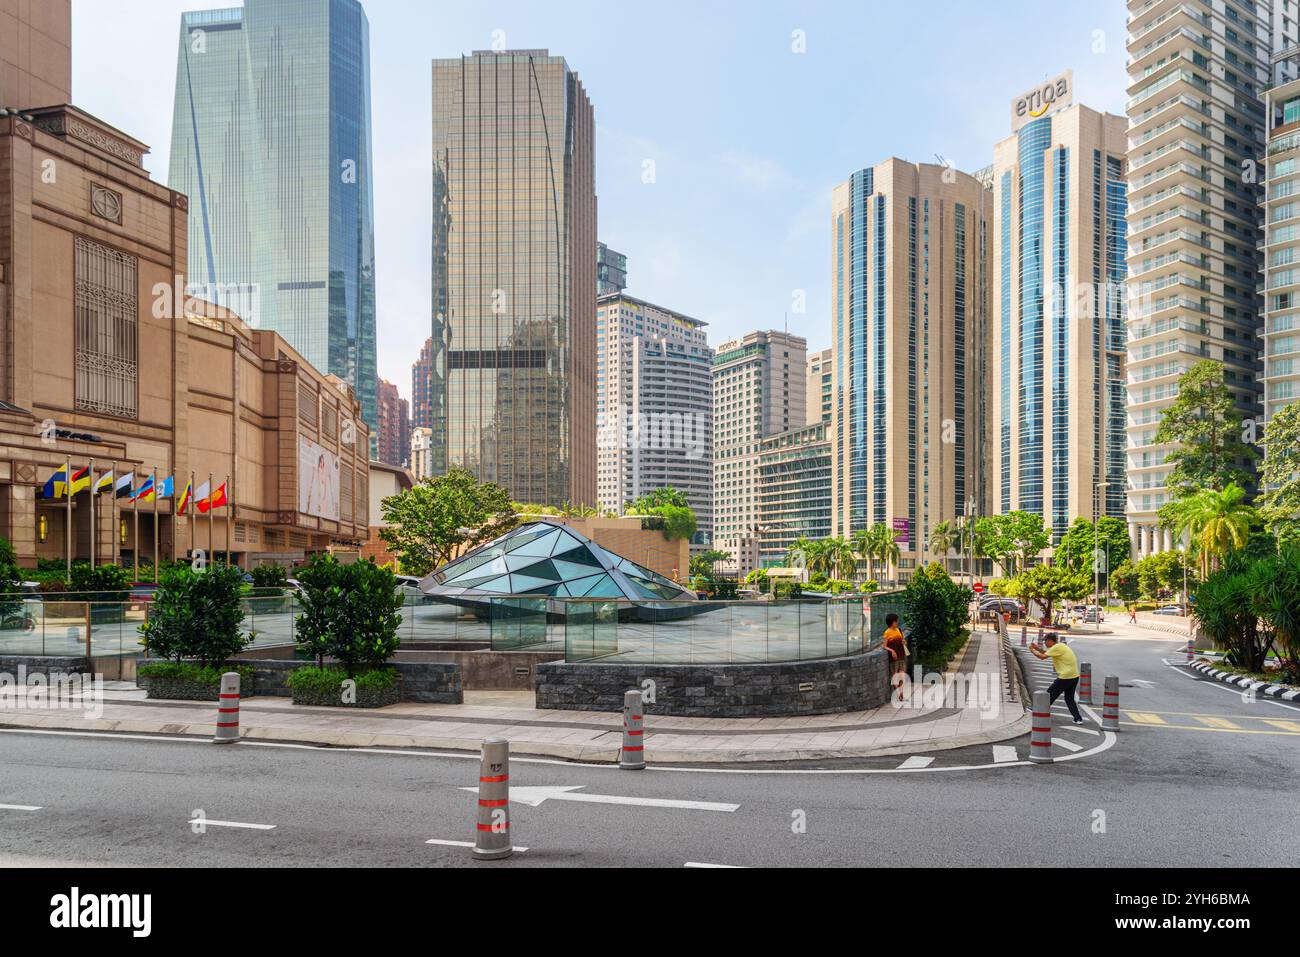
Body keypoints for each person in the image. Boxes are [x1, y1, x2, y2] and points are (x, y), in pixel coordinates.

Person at [1029, 634, 1084, 724]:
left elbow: (1042, 657)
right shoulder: (1060, 646)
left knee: (1049, 695)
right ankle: (1078, 719)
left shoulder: (1056, 647)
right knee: (1069, 698)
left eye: (1045, 641)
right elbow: (1046, 653)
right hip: (1074, 676)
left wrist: (1032, 650)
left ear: (1051, 641)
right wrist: (1037, 648)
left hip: (1065, 677)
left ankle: (1036, 710)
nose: (1045, 643)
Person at [883, 613, 908, 701]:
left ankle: (901, 693)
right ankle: (898, 694)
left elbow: (903, 641)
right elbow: (884, 646)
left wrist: (904, 642)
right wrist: (892, 651)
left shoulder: (899, 630)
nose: (897, 622)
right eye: (896, 621)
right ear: (892, 622)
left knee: (902, 676)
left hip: (901, 656)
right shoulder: (887, 632)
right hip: (894, 658)